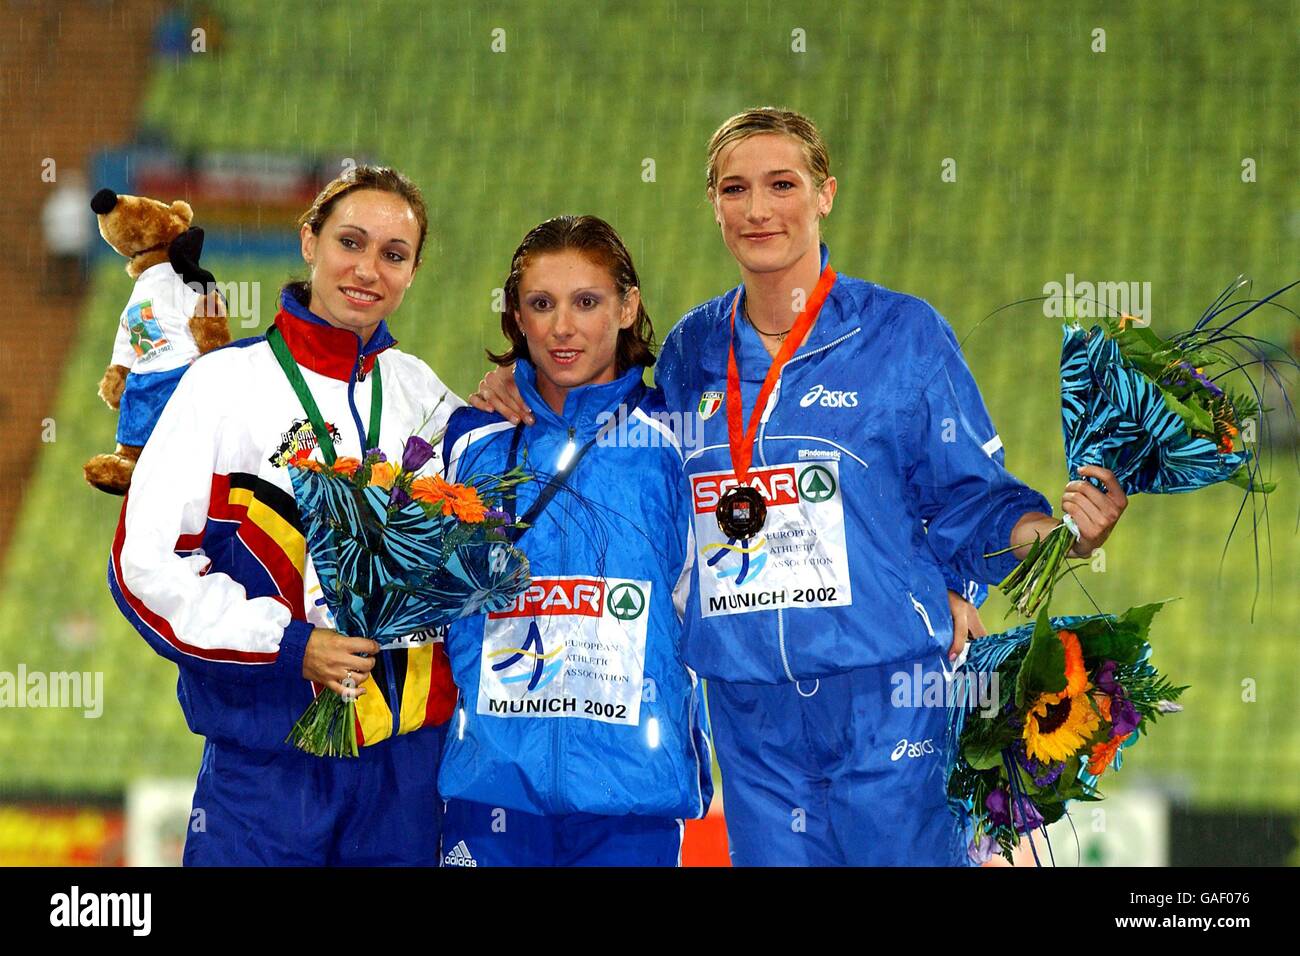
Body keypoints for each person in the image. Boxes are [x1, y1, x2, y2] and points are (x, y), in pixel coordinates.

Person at [469, 109, 1127, 866]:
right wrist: (510, 380)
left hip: (890, 697)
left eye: (781, 185)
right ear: (712, 204)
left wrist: (1067, 538)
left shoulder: (903, 334)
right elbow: (600, 419)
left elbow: (973, 502)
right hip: (751, 716)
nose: (757, 209)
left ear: (825, 195)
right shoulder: (690, 351)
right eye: (734, 188)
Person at [109, 165, 463, 865]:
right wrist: (288, 644)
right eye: (350, 243)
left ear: (413, 271)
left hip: (408, 772)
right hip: (268, 769)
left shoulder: (427, 395)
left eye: (393, 255)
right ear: (309, 241)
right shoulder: (224, 385)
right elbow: (143, 565)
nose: (368, 269)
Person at [437, 215, 712, 867]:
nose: (563, 327)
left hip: (628, 801)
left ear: (627, 306)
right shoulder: (469, 438)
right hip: (491, 792)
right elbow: (437, 594)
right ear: (517, 316)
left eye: (586, 302)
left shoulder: (676, 442)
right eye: (541, 304)